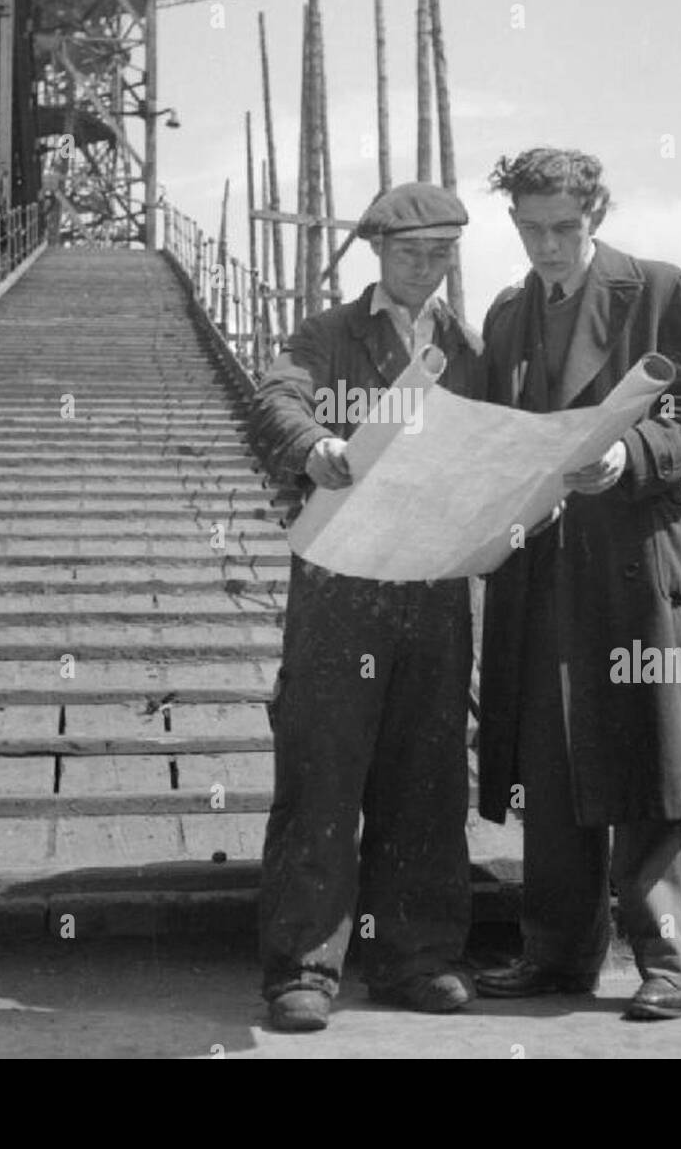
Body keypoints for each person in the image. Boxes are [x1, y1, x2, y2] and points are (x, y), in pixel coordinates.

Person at [472, 147, 681, 1020]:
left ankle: (672, 960)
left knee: (658, 759)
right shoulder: (509, 315)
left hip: (639, 563)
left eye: (565, 228)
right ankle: (557, 953)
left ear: (597, 217)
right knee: (550, 757)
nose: (548, 246)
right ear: (514, 223)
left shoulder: (659, 291)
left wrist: (630, 454)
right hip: (545, 564)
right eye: (531, 228)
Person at [248, 181, 484, 1033]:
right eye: (413, 251)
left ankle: (415, 959)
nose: (428, 267)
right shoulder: (328, 335)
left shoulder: (469, 347)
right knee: (323, 769)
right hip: (342, 581)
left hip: (433, 583)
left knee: (426, 776)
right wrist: (317, 447)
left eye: (443, 252)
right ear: (378, 249)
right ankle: (304, 969)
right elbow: (277, 399)